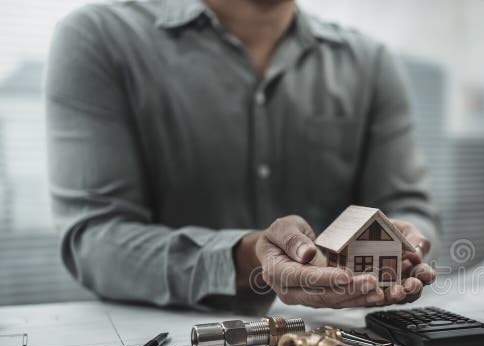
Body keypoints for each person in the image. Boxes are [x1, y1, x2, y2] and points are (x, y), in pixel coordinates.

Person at [46, 0, 437, 312]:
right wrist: (247, 257)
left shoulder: (371, 63)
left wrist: (407, 248)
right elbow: (94, 239)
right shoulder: (99, 38)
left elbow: (409, 209)